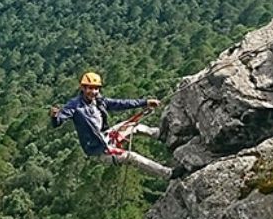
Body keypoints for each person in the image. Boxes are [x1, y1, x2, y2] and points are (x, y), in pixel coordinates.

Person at [50, 72, 183, 180]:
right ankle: (168, 174)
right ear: (83, 88)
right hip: (99, 150)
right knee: (132, 157)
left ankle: (160, 135)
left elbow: (121, 103)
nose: (94, 91)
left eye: (96, 88)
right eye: (90, 88)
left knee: (133, 126)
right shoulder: (74, 106)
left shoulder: (99, 101)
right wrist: (55, 117)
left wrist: (145, 102)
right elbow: (58, 122)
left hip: (106, 136)